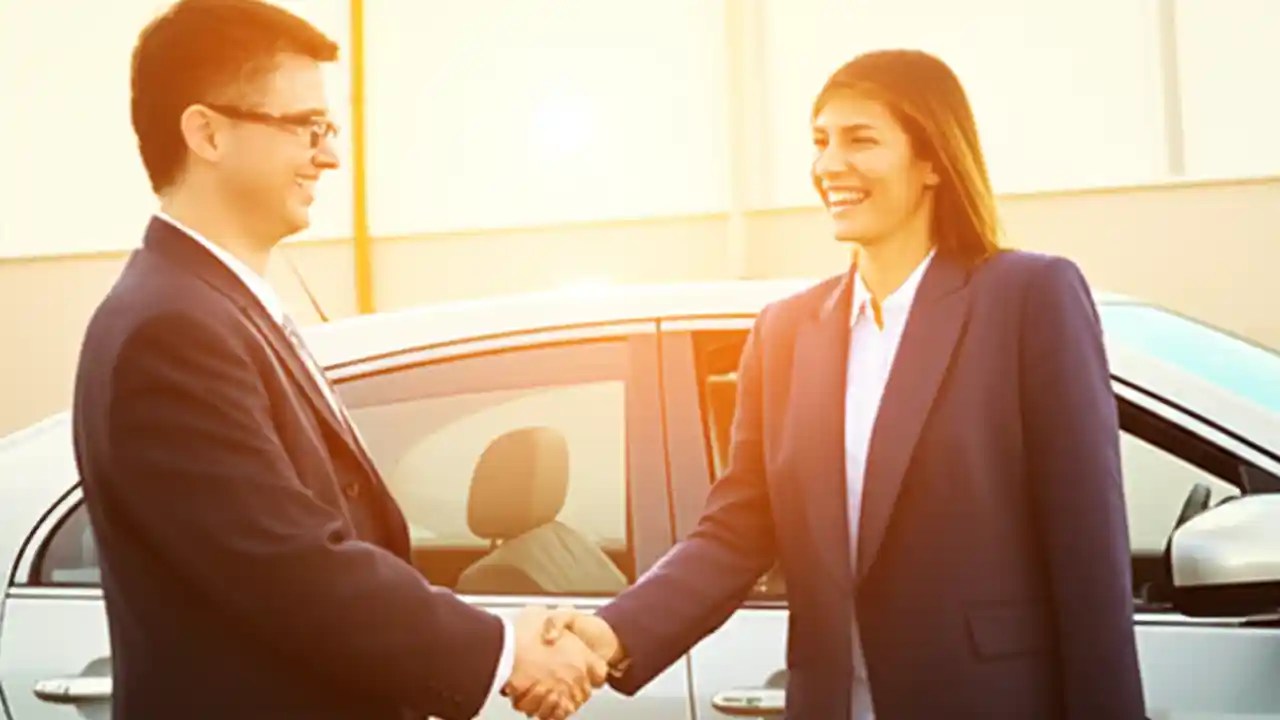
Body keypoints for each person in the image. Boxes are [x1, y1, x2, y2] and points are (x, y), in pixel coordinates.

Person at [533, 49, 1147, 718]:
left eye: (861, 139)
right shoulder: (786, 331)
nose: (829, 165)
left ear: (933, 159)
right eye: (820, 141)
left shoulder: (1028, 297)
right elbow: (735, 531)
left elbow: (1089, 554)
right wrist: (609, 633)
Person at [72, 1, 603, 718]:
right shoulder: (171, 331)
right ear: (206, 133)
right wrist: (504, 651)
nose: (330, 155)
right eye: (307, 127)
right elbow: (288, 569)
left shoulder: (214, 306)